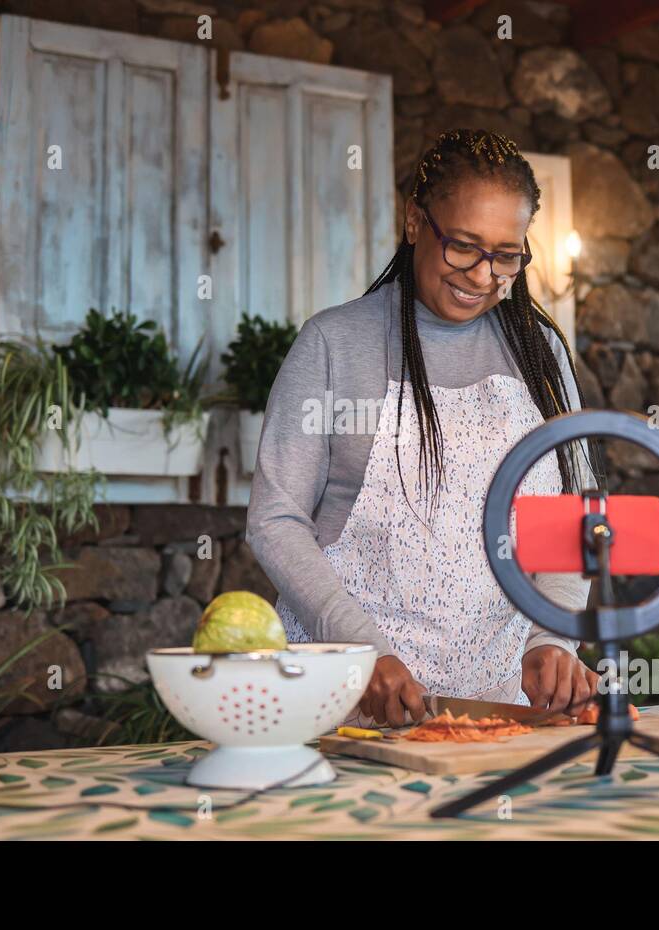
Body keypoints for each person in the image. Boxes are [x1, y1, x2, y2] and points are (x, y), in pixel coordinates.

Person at [246, 129, 604, 726]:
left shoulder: (542, 354)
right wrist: (362, 651)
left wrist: (552, 637)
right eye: (463, 246)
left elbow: (571, 512)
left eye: (507, 255)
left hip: (497, 711)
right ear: (415, 220)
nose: (484, 275)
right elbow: (276, 519)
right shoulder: (335, 343)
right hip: (342, 696)